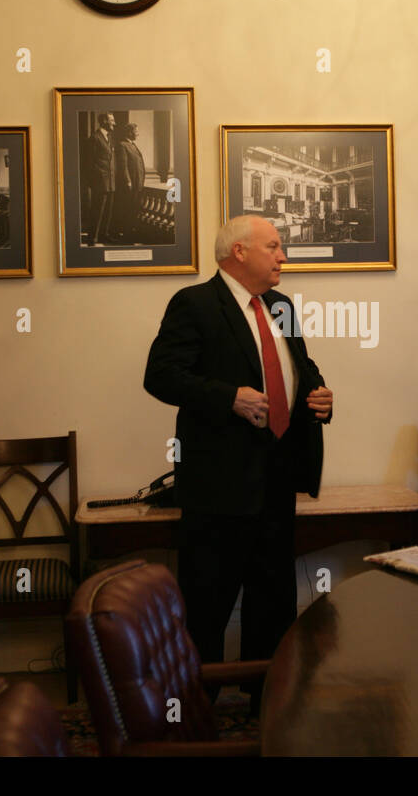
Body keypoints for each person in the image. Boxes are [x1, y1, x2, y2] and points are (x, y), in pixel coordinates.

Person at [143, 215, 334, 682]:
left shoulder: (282, 306)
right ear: (240, 252)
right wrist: (228, 396)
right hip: (219, 489)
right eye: (274, 246)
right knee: (206, 606)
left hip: (278, 479)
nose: (283, 256)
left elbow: (301, 368)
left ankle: (266, 706)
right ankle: (193, 715)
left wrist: (320, 396)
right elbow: (161, 376)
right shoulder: (194, 304)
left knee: (274, 604)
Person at [115, 122, 146, 242]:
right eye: (136, 132)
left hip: (138, 184)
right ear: (129, 132)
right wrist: (128, 181)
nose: (138, 134)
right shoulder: (122, 145)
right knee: (128, 210)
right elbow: (123, 166)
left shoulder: (133, 145)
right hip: (130, 185)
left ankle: (131, 234)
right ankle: (127, 236)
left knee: (135, 209)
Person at [89, 113, 116, 244]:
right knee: (97, 210)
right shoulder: (95, 138)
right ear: (104, 121)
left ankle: (103, 235)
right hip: (100, 182)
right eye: (112, 120)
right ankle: (92, 237)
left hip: (110, 182)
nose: (114, 123)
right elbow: (89, 162)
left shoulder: (109, 137)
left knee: (108, 211)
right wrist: (95, 180)